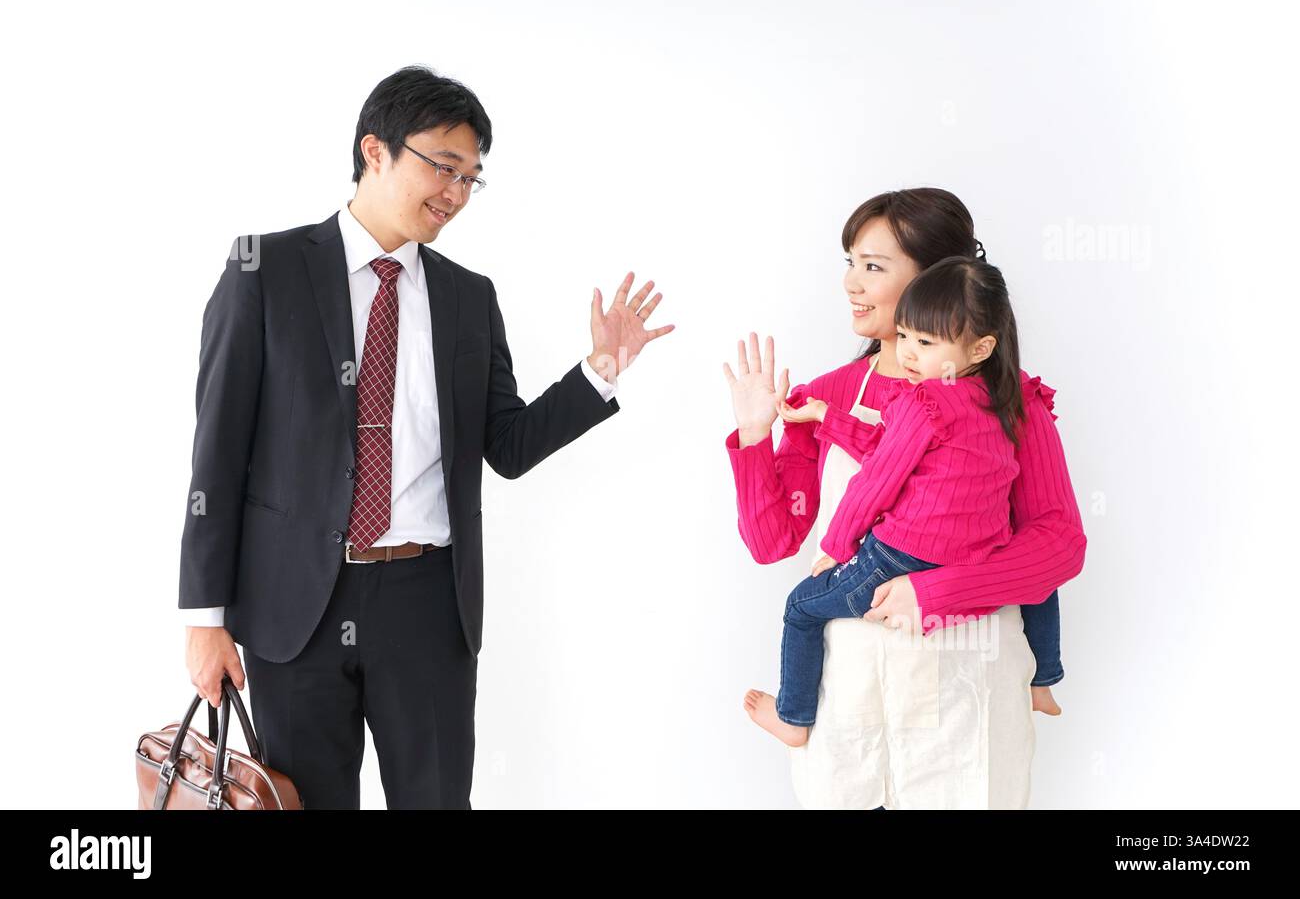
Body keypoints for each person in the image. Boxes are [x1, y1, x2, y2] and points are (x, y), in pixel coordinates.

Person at [178, 65, 674, 809]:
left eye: (472, 177)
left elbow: (506, 445)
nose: (456, 193)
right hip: (294, 607)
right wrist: (203, 620)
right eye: (443, 166)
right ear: (374, 151)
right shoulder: (266, 270)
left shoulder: (467, 297)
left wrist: (599, 370)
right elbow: (216, 451)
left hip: (425, 601)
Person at [725, 187, 1085, 808]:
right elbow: (774, 540)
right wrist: (757, 436)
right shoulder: (827, 395)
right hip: (850, 713)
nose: (850, 284)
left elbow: (1058, 546)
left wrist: (937, 592)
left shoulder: (1011, 402)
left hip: (965, 708)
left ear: (935, 279)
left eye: (873, 265)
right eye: (849, 263)